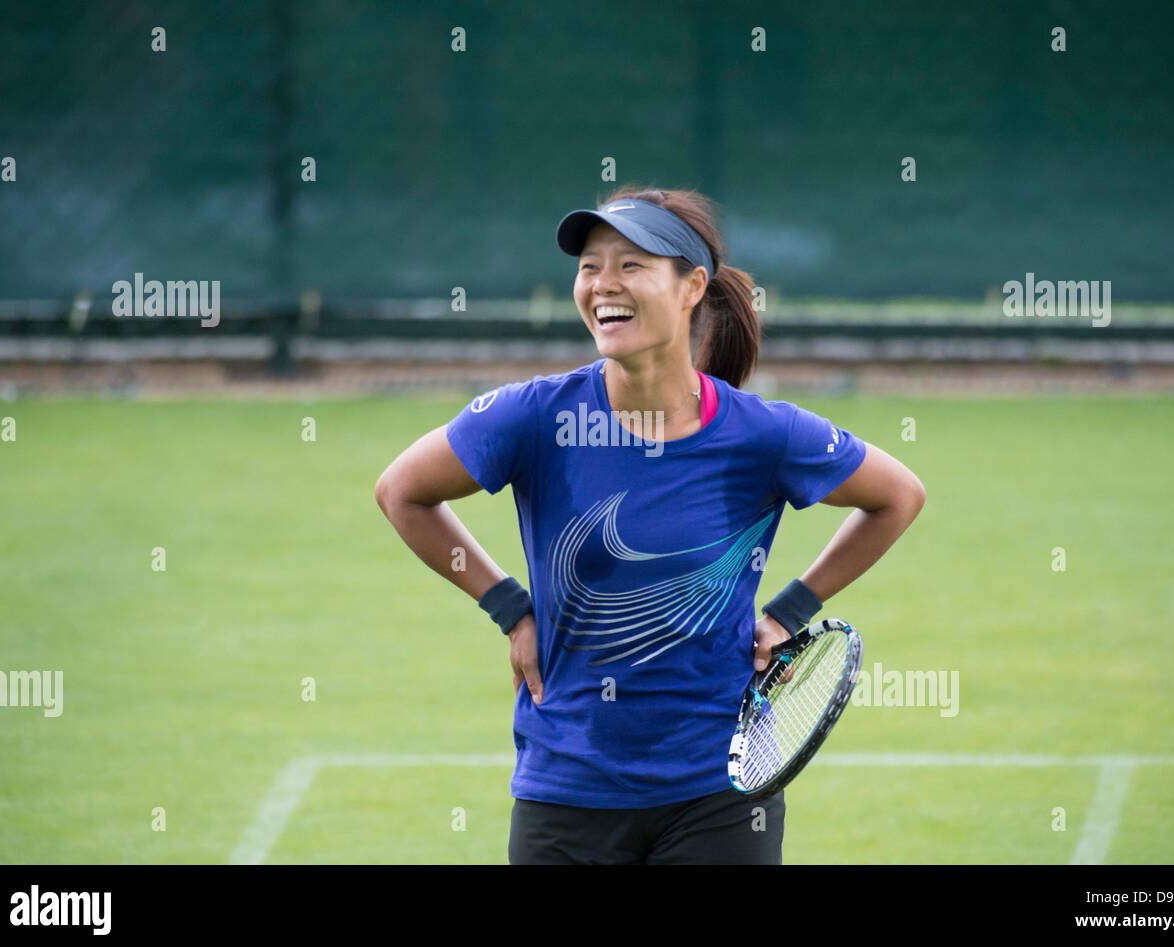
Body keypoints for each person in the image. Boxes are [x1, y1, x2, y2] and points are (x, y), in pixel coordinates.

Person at [374, 186, 925, 864]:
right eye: (589, 266)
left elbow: (898, 495)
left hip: (719, 792)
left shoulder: (764, 435)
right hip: (566, 790)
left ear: (693, 285)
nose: (604, 283)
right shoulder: (533, 417)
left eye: (632, 264)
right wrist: (509, 607)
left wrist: (789, 611)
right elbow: (402, 491)